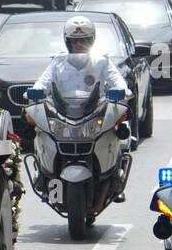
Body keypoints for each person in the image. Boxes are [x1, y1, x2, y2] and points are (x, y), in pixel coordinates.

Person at [33, 15, 131, 198]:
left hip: (94, 112)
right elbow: (43, 82)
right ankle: (44, 176)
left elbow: (117, 81)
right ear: (67, 42)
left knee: (121, 128)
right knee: (39, 131)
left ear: (91, 41)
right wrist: (35, 90)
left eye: (84, 40)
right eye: (75, 41)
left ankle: (116, 175)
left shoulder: (102, 61)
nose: (79, 45)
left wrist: (122, 90)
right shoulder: (58, 62)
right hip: (63, 113)